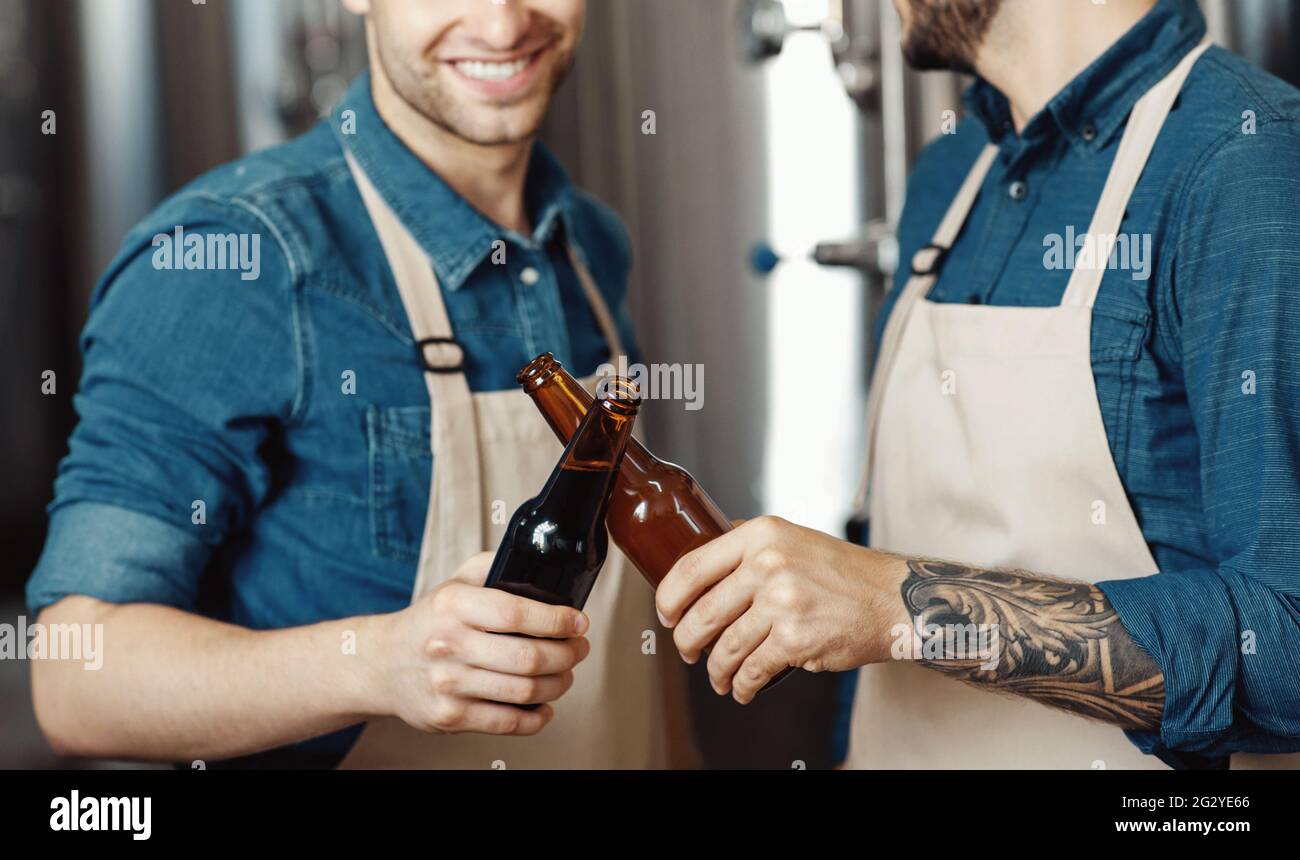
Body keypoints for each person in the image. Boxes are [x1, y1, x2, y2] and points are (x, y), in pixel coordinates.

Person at [28, 0, 681, 769]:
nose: (504, 26)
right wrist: (379, 661)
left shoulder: (587, 244)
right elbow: (77, 679)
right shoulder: (238, 255)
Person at [656, 0, 1300, 769]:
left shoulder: (1248, 164)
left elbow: (1287, 639)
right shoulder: (953, 175)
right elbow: (871, 568)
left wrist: (907, 606)